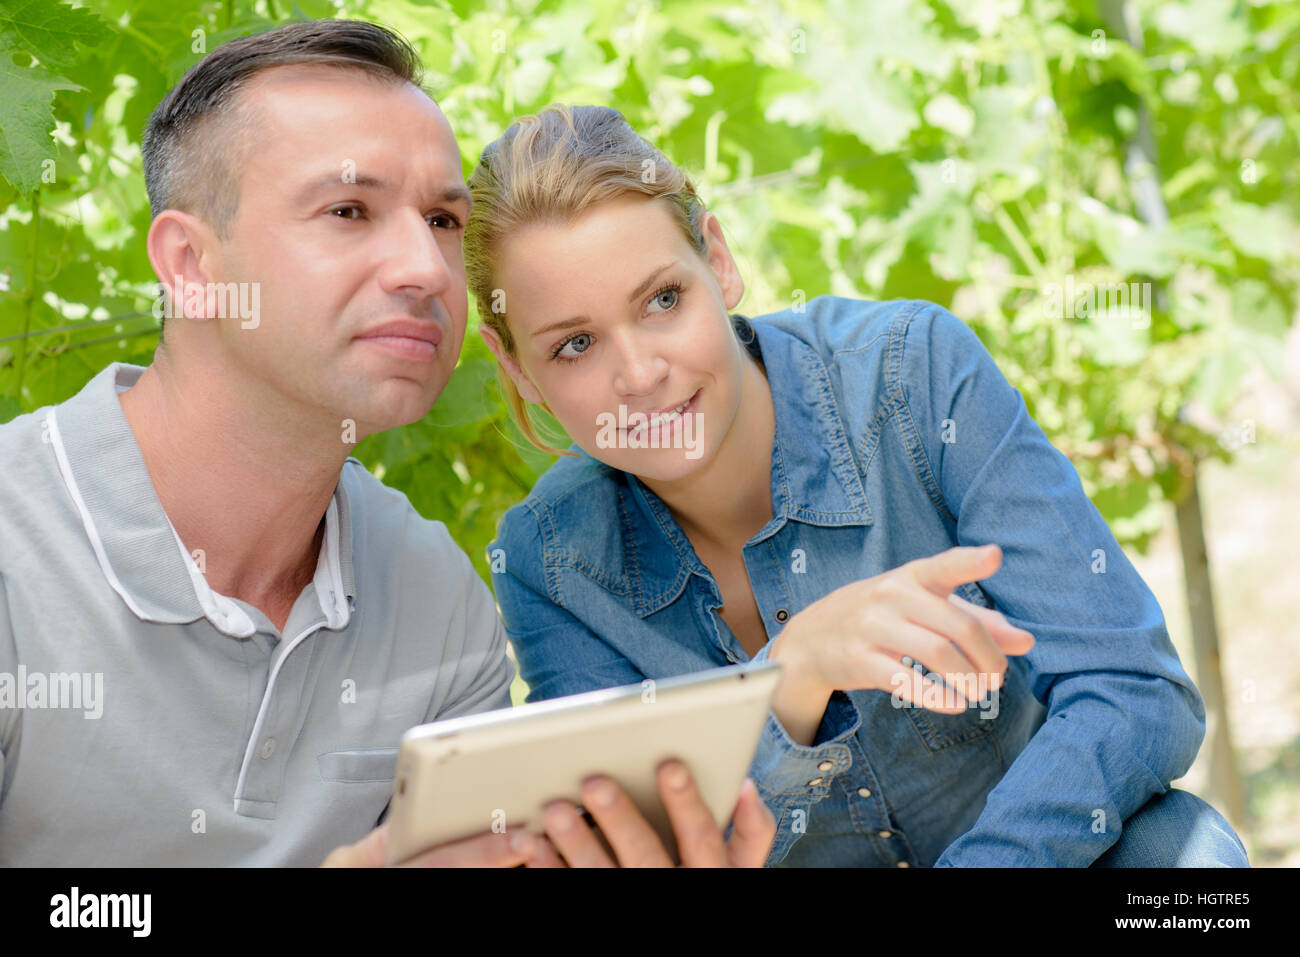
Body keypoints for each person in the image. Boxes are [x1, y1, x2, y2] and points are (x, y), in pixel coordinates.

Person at [0, 20, 774, 868]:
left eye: (443, 219)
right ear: (190, 264)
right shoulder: (17, 550)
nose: (425, 268)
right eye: (348, 210)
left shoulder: (438, 603)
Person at [471, 104, 1252, 867]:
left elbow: (1132, 689)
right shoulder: (551, 565)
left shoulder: (912, 373)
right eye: (575, 343)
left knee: (1183, 857)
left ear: (718, 260)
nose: (640, 374)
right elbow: (638, 850)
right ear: (517, 370)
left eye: (663, 300)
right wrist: (787, 680)